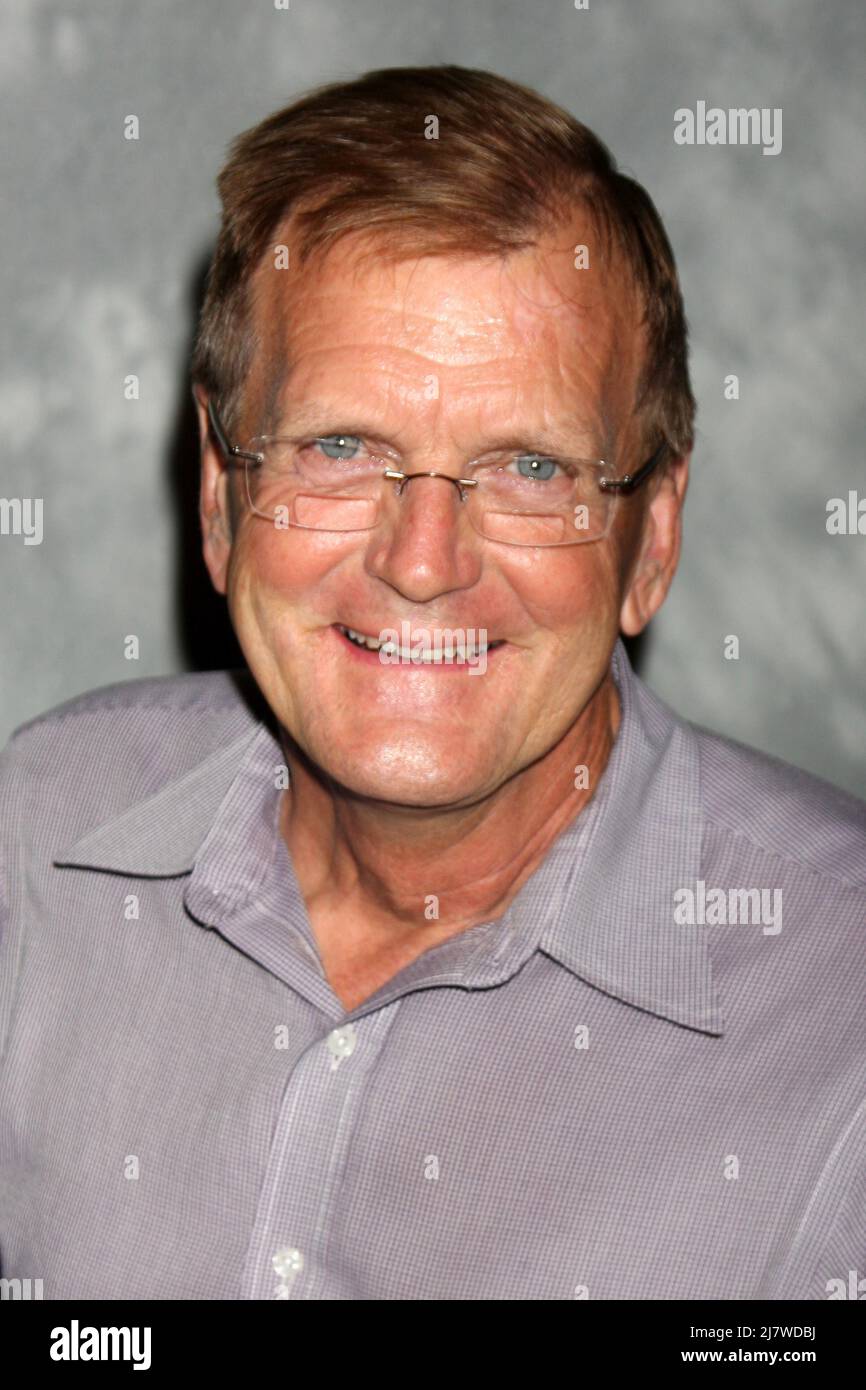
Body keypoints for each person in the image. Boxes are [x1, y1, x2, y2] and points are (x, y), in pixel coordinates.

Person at [1, 65, 863, 1302]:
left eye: (526, 465)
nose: (419, 563)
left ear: (651, 539)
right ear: (218, 492)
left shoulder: (839, 1018)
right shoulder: (37, 840)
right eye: (340, 447)